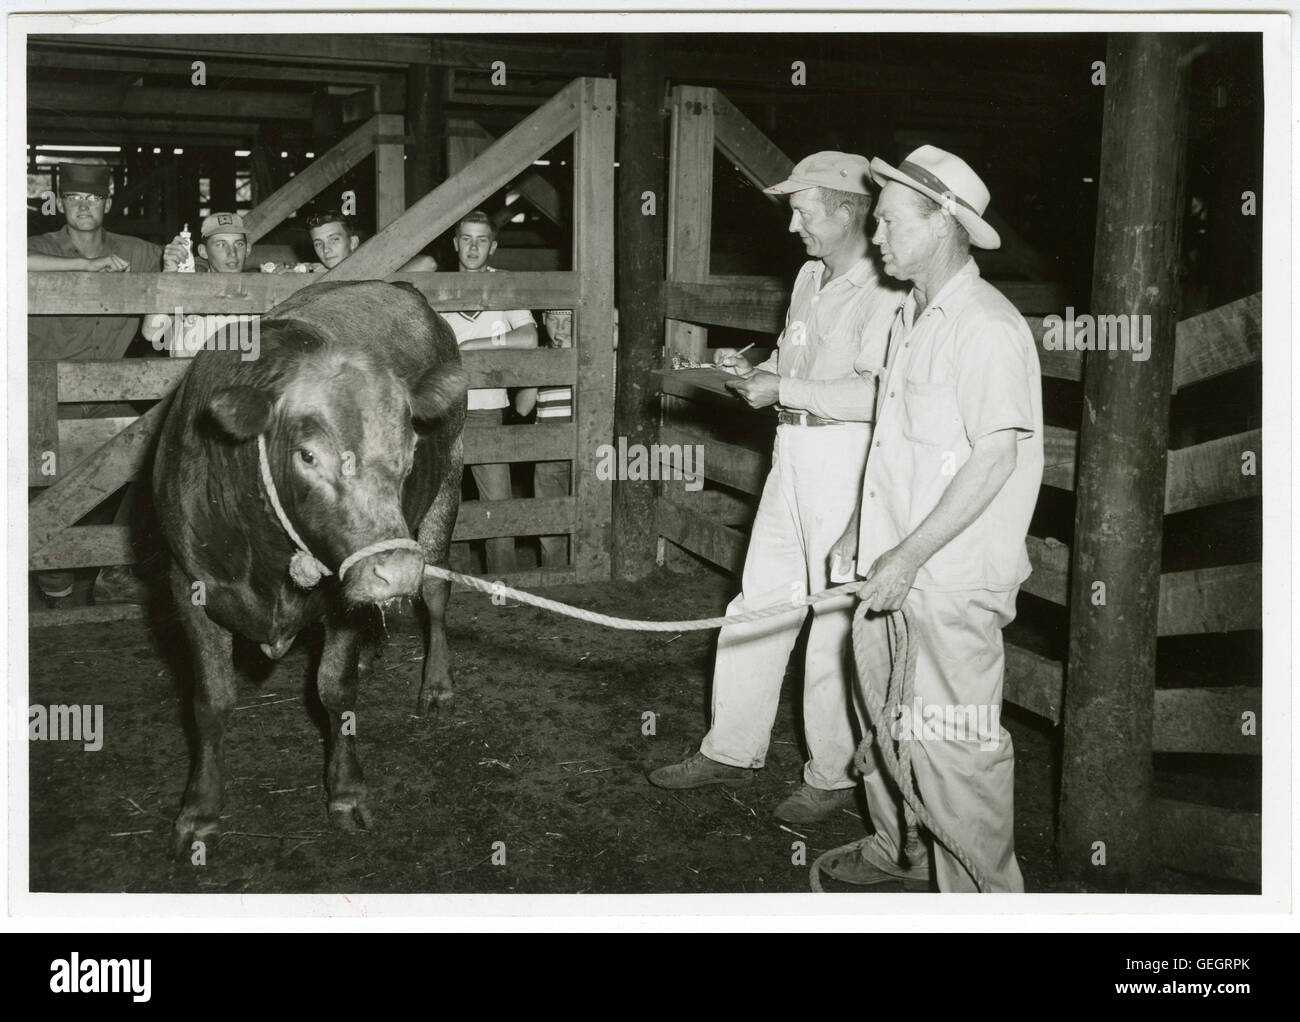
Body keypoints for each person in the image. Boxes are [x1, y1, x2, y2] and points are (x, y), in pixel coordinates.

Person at [648, 152, 902, 826]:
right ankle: (730, 747)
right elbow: (796, 355)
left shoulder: (887, 290)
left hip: (849, 464)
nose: (793, 226)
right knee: (758, 601)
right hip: (791, 454)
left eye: (803, 210)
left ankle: (831, 776)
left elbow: (883, 392)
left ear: (849, 210)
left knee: (834, 620)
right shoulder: (811, 276)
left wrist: (783, 387)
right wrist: (755, 363)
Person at [819, 146, 1043, 892]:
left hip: (944, 581)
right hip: (890, 569)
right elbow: (894, 445)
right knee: (880, 722)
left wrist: (908, 556)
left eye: (887, 222)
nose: (875, 236)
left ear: (943, 221)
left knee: (955, 750)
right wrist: (861, 531)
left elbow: (994, 459)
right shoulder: (911, 317)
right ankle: (900, 851)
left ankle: (983, 898)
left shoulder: (986, 327)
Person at [28, 163, 163, 604]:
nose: (84, 206)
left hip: (109, 390)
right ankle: (53, 569)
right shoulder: (40, 246)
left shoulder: (136, 251)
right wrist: (84, 266)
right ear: (60, 201)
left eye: (94, 198)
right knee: (44, 476)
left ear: (107, 202)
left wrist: (185, 257)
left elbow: (185, 262)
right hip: (46, 391)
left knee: (156, 460)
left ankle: (116, 568)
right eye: (74, 198)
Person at [439, 211, 538, 576]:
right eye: (466, 238)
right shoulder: (438, 286)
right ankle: (454, 580)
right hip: (445, 411)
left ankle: (503, 582)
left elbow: (528, 337)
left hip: (487, 409)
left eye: (481, 240)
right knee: (445, 502)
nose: (473, 247)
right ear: (455, 243)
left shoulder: (503, 285)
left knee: (497, 501)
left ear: (493, 247)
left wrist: (475, 343)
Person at [143, 212, 254, 357]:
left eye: (239, 244)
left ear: (248, 249)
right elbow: (151, 333)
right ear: (203, 251)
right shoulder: (184, 284)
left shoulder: (260, 291)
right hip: (190, 377)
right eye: (221, 244)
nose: (232, 253)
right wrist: (169, 274)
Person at [531, 309, 573, 567]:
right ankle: (555, 583)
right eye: (554, 320)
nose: (561, 327)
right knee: (550, 522)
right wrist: (538, 370)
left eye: (568, 320)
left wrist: (570, 357)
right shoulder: (539, 357)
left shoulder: (591, 354)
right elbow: (523, 407)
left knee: (585, 517)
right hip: (547, 450)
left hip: (584, 449)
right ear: (543, 320)